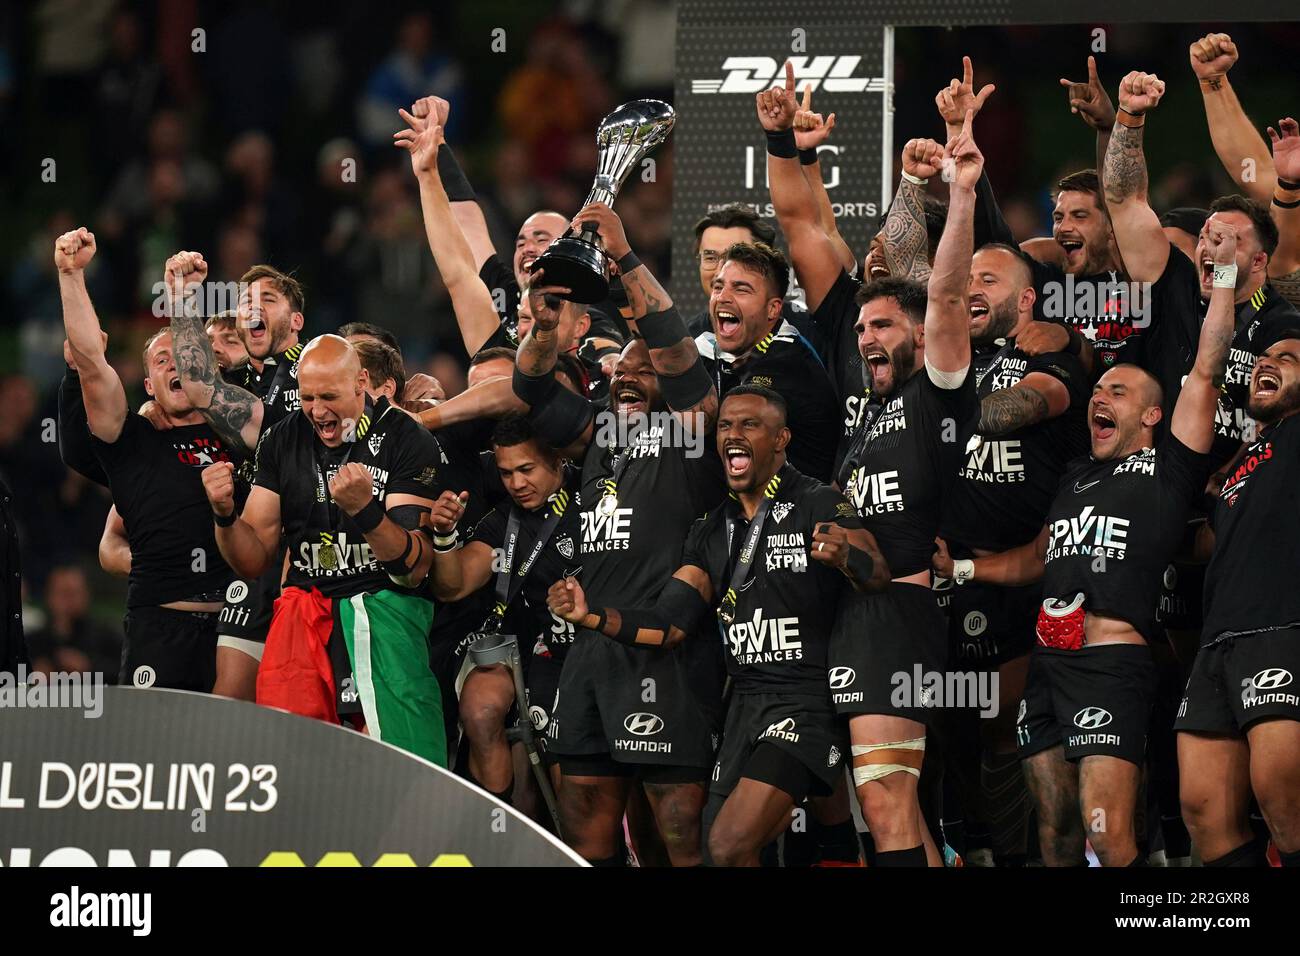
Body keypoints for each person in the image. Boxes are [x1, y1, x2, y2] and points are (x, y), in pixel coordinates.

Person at [943, 218, 1241, 865]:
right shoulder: (1077, 473)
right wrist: (963, 566)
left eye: (1119, 391)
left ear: (1153, 414)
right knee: (1054, 833)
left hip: (1110, 667)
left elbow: (1209, 365)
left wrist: (1221, 282)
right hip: (1050, 664)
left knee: (1107, 834)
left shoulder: (1169, 466)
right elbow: (1038, 556)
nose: (1100, 396)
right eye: (1099, 389)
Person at [768, 62, 982, 863]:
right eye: (861, 330)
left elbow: (952, 295)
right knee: (895, 811)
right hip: (858, 616)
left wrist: (956, 194)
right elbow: (807, 229)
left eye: (885, 326)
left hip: (897, 611)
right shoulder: (866, 412)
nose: (867, 338)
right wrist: (785, 144)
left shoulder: (935, 395)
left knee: (884, 802)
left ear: (920, 337)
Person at [549, 386, 889, 865]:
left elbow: (879, 573)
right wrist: (591, 616)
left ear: (781, 438)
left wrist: (848, 556)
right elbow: (669, 626)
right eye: (726, 425)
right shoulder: (710, 530)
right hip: (742, 708)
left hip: (805, 703)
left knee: (729, 843)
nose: (733, 434)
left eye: (750, 425)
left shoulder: (817, 501)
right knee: (716, 851)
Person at [509, 197, 724, 865]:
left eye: (644, 370)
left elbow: (676, 353)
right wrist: (546, 327)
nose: (628, 376)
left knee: (680, 831)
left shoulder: (692, 432)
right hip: (592, 655)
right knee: (585, 828)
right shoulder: (601, 434)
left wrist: (626, 257)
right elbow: (532, 388)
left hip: (667, 651)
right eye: (619, 370)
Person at [203, 334, 449, 764]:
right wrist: (225, 516)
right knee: (292, 759)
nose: (317, 411)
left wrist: (365, 512)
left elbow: (414, 568)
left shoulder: (407, 439)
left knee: (398, 759)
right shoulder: (283, 438)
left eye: (330, 396)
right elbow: (254, 558)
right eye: (308, 397)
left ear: (362, 383)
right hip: (304, 611)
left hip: (384, 607)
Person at [934, 242, 1090, 866]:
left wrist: (944, 411)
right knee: (947, 732)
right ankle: (973, 849)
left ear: (1026, 301)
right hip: (943, 576)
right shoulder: (944, 359)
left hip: (1022, 579)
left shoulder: (1047, 359)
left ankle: (1014, 855)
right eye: (965, 277)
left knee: (1006, 734)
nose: (972, 286)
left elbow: (1026, 407)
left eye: (989, 279)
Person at [57, 227, 237, 691]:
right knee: (155, 753)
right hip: (160, 627)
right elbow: (92, 363)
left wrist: (183, 297)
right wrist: (71, 275)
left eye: (182, 354)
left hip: (240, 630)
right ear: (148, 386)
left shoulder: (241, 430)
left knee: (238, 754)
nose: (175, 364)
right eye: (161, 361)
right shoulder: (132, 440)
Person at [1176, 319, 1300, 868]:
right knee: (1202, 808)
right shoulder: (1244, 461)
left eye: (1289, 358)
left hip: (1281, 627)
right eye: (1264, 356)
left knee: (1282, 794)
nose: (1266, 363)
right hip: (1216, 639)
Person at [426, 416, 582, 807]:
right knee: (480, 711)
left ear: (557, 460)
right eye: (506, 472)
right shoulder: (502, 522)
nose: (515, 484)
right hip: (525, 650)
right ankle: (497, 826)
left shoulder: (594, 502)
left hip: (589, 649)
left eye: (526, 469)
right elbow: (454, 585)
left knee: (571, 791)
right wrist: (444, 537)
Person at [698, 240, 841, 482]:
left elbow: (717, 425)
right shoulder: (712, 346)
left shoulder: (789, 361)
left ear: (773, 309)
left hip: (794, 512)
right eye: (718, 287)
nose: (723, 297)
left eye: (741, 289)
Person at [26, 563, 121, 679]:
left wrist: (88, 668)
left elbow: (124, 673)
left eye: (74, 593)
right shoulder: (33, 643)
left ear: (86, 595)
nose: (68, 601)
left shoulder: (107, 638)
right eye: (63, 593)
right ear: (48, 596)